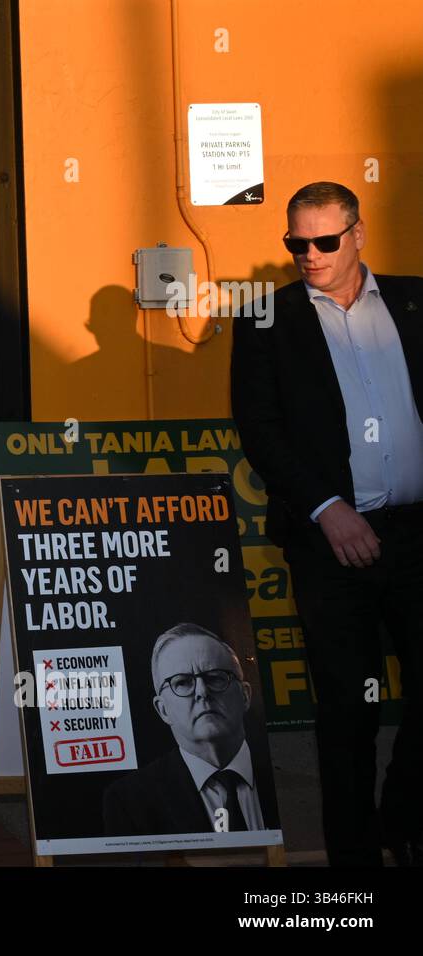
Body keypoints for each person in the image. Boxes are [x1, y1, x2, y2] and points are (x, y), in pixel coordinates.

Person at [231, 180, 423, 867]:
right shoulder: (263, 320)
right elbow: (262, 432)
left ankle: (398, 817)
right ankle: (353, 864)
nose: (308, 254)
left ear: (358, 234)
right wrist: (327, 509)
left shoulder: (413, 302)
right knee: (348, 713)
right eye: (295, 242)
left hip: (416, 534)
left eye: (324, 240)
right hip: (327, 545)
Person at [103, 624, 279, 836]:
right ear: (163, 709)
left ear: (244, 695)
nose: (202, 692)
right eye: (183, 682)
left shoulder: (284, 773)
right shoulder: (129, 801)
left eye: (215, 677)